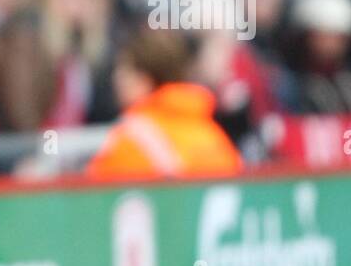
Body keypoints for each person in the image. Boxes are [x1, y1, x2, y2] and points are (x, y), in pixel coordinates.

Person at [86, 28, 242, 179]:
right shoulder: (212, 134)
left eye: (124, 70)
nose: (117, 79)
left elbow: (94, 195)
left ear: (144, 79)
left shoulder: (131, 139)